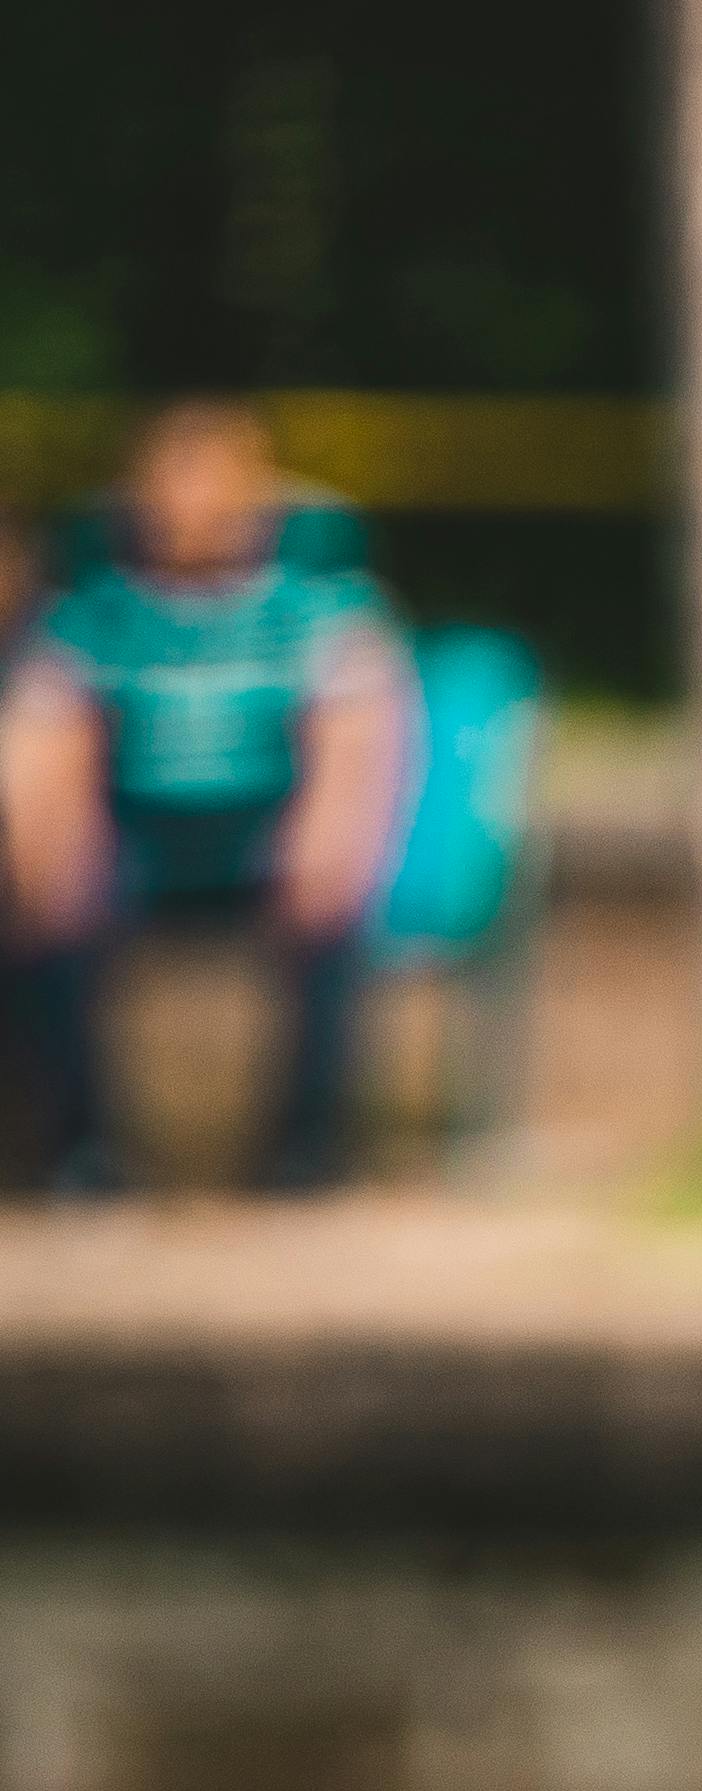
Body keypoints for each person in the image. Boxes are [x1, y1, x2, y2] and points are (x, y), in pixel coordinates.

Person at [3, 397, 405, 1195]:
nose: (193, 506)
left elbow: (357, 733)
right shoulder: (94, 613)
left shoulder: (319, 608)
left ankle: (306, 1150)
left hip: (264, 831)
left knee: (333, 925)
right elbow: (52, 740)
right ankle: (82, 1151)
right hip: (139, 836)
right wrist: (50, 848)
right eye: (174, 483)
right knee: (46, 916)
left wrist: (327, 840)